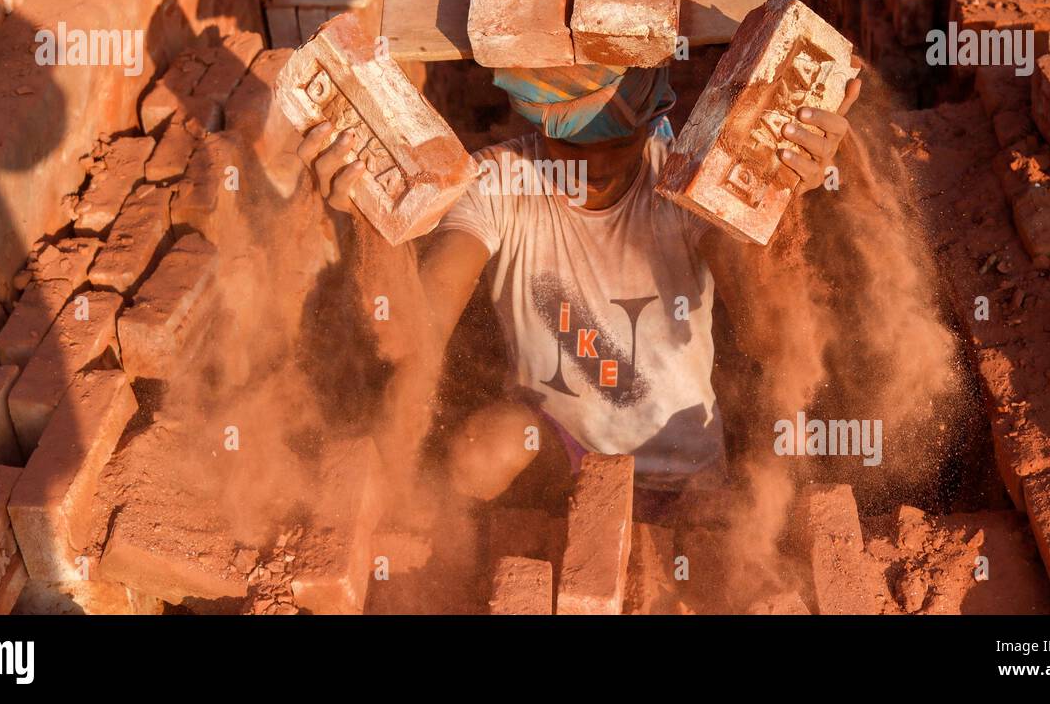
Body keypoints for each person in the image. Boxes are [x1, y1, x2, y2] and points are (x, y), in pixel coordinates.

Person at [299, 60, 861, 509]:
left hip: (685, 472)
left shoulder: (684, 185)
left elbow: (770, 333)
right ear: (536, 122)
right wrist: (371, 223)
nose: (594, 168)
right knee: (482, 451)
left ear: (651, 120)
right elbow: (415, 340)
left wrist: (782, 202)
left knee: (716, 538)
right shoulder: (498, 184)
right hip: (560, 459)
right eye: (572, 147)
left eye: (615, 147)